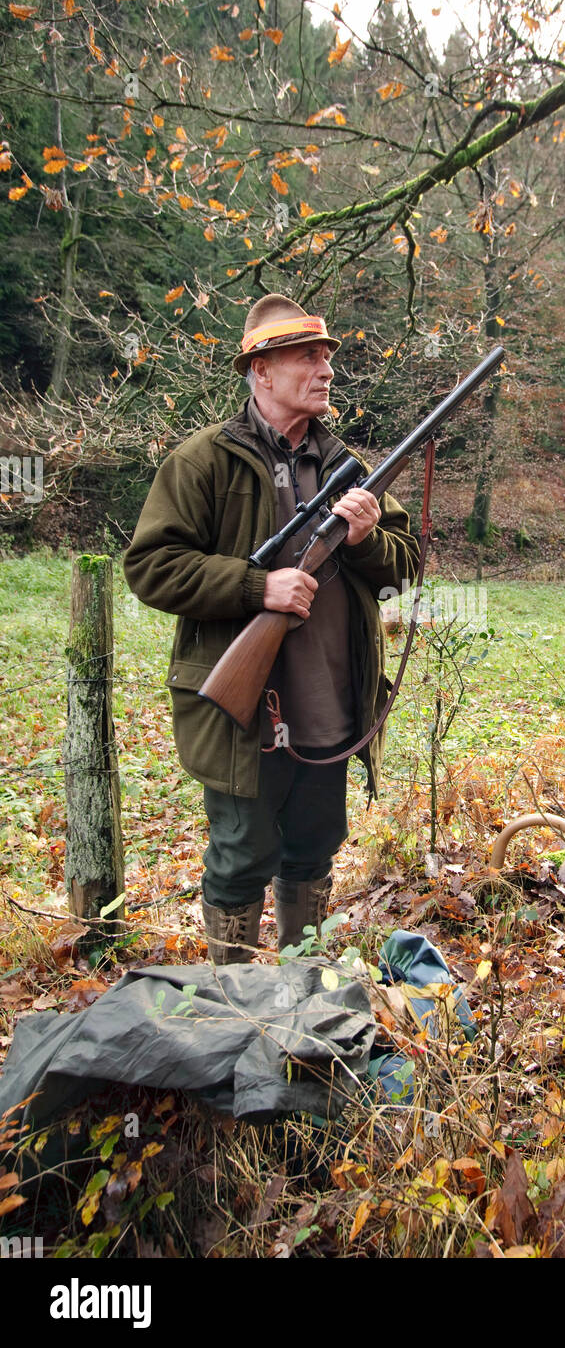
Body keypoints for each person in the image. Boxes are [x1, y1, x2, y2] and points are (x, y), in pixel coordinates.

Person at [124, 295, 420, 963]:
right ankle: (235, 1007)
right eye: (308, 357)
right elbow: (151, 567)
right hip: (243, 715)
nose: (326, 371)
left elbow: (405, 571)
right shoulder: (203, 461)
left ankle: (300, 1000)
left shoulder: (349, 468)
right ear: (261, 370)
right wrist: (258, 587)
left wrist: (369, 539)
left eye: (327, 357)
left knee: (313, 850)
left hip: (328, 705)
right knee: (240, 856)